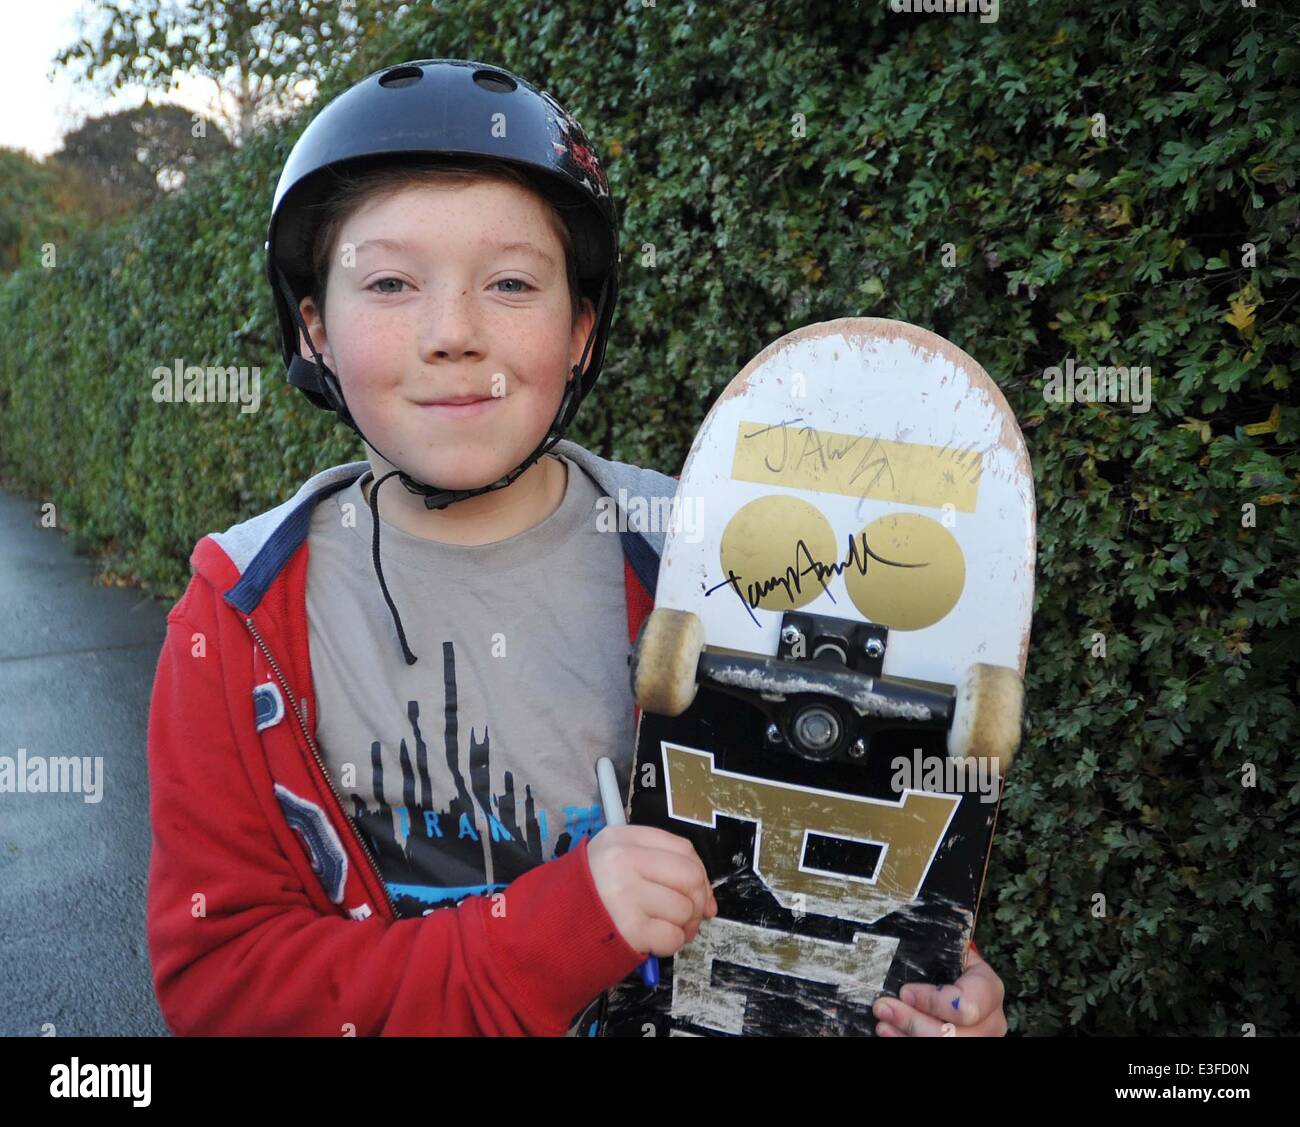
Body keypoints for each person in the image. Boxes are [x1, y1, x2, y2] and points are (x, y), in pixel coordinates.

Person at [144, 58, 1006, 1037]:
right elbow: (224, 986)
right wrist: (562, 923)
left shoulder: (714, 560)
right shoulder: (238, 612)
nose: (452, 332)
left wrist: (919, 979)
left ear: (582, 330)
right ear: (314, 329)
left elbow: (835, 859)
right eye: (387, 281)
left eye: (510, 282)